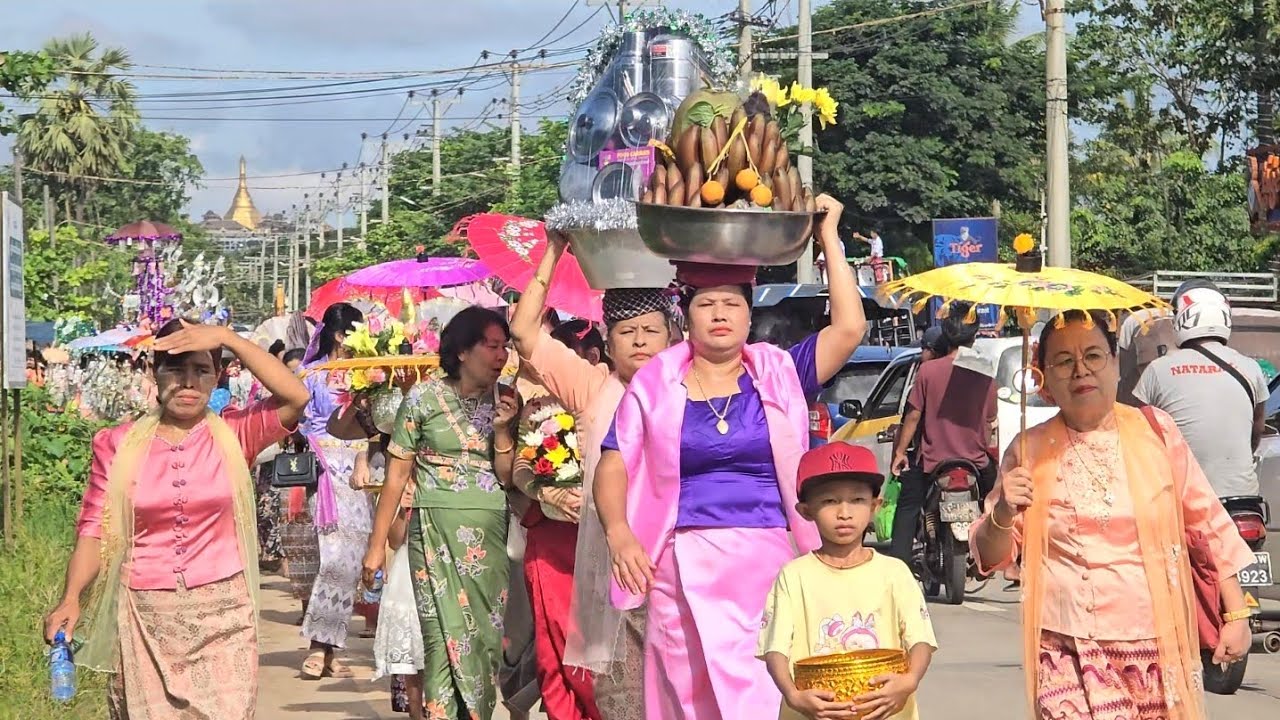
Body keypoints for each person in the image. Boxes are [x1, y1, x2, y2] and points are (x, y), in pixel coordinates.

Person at [595, 194, 868, 720]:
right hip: (680, 565)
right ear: (687, 316)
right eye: (706, 303)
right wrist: (619, 533)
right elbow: (614, 460)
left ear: (749, 313)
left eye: (732, 303)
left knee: (765, 695)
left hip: (767, 563)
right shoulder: (655, 381)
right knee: (686, 696)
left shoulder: (781, 371)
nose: (719, 314)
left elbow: (849, 329)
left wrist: (828, 237)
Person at [970, 310, 1255, 719]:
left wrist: (1237, 614)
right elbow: (992, 554)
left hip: (1156, 644)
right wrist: (1002, 511)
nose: (1080, 370)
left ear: (1115, 364)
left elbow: (1206, 523)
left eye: (1093, 355)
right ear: (1044, 377)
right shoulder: (1028, 450)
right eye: (1064, 361)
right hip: (1066, 645)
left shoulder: (1157, 432)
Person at [44, 319, 308, 719]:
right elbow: (95, 528)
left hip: (225, 617)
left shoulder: (237, 434)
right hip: (146, 617)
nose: (188, 383)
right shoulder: (116, 444)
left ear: (217, 377)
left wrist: (227, 339)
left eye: (201, 370)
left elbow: (296, 396)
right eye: (175, 369)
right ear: (155, 372)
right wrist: (71, 597)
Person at [510, 231, 679, 720]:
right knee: (619, 693)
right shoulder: (593, 387)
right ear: (608, 341)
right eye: (627, 332)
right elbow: (525, 333)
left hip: (680, 559)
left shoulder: (690, 385)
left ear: (671, 336)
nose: (640, 341)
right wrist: (554, 250)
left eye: (651, 330)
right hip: (615, 562)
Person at [362, 306, 520, 720]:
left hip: (489, 536)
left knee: (484, 643)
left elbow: (507, 477)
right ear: (463, 351)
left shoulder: (509, 399)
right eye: (492, 345)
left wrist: (504, 429)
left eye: (505, 346)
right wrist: (376, 547)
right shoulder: (422, 398)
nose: (501, 355)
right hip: (431, 533)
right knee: (438, 643)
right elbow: (395, 480)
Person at [760, 442, 936, 720]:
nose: (844, 513)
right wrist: (794, 695)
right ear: (805, 511)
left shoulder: (894, 572)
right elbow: (775, 649)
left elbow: (921, 640)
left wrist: (909, 680)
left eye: (857, 500)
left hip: (884, 710)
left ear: (875, 506)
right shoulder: (794, 577)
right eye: (829, 501)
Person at [1133, 279, 1269, 498]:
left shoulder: (1157, 370)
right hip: (1243, 498)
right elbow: (1257, 430)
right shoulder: (1250, 368)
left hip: (1183, 499)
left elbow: (1138, 434)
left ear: (1181, 318)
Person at [298, 302, 374, 678]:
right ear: (342, 334)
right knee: (330, 558)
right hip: (324, 471)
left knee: (349, 561)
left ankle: (329, 644)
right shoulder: (310, 374)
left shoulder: (368, 375)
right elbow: (294, 418)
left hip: (359, 473)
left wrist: (364, 456)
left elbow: (374, 425)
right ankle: (318, 644)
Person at [888, 304, 996, 566]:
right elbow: (991, 418)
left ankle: (899, 567)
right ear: (974, 335)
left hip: (933, 462)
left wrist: (900, 453)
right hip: (976, 462)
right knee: (995, 501)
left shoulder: (927, 371)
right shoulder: (984, 370)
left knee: (909, 506)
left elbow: (913, 416)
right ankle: (1004, 556)